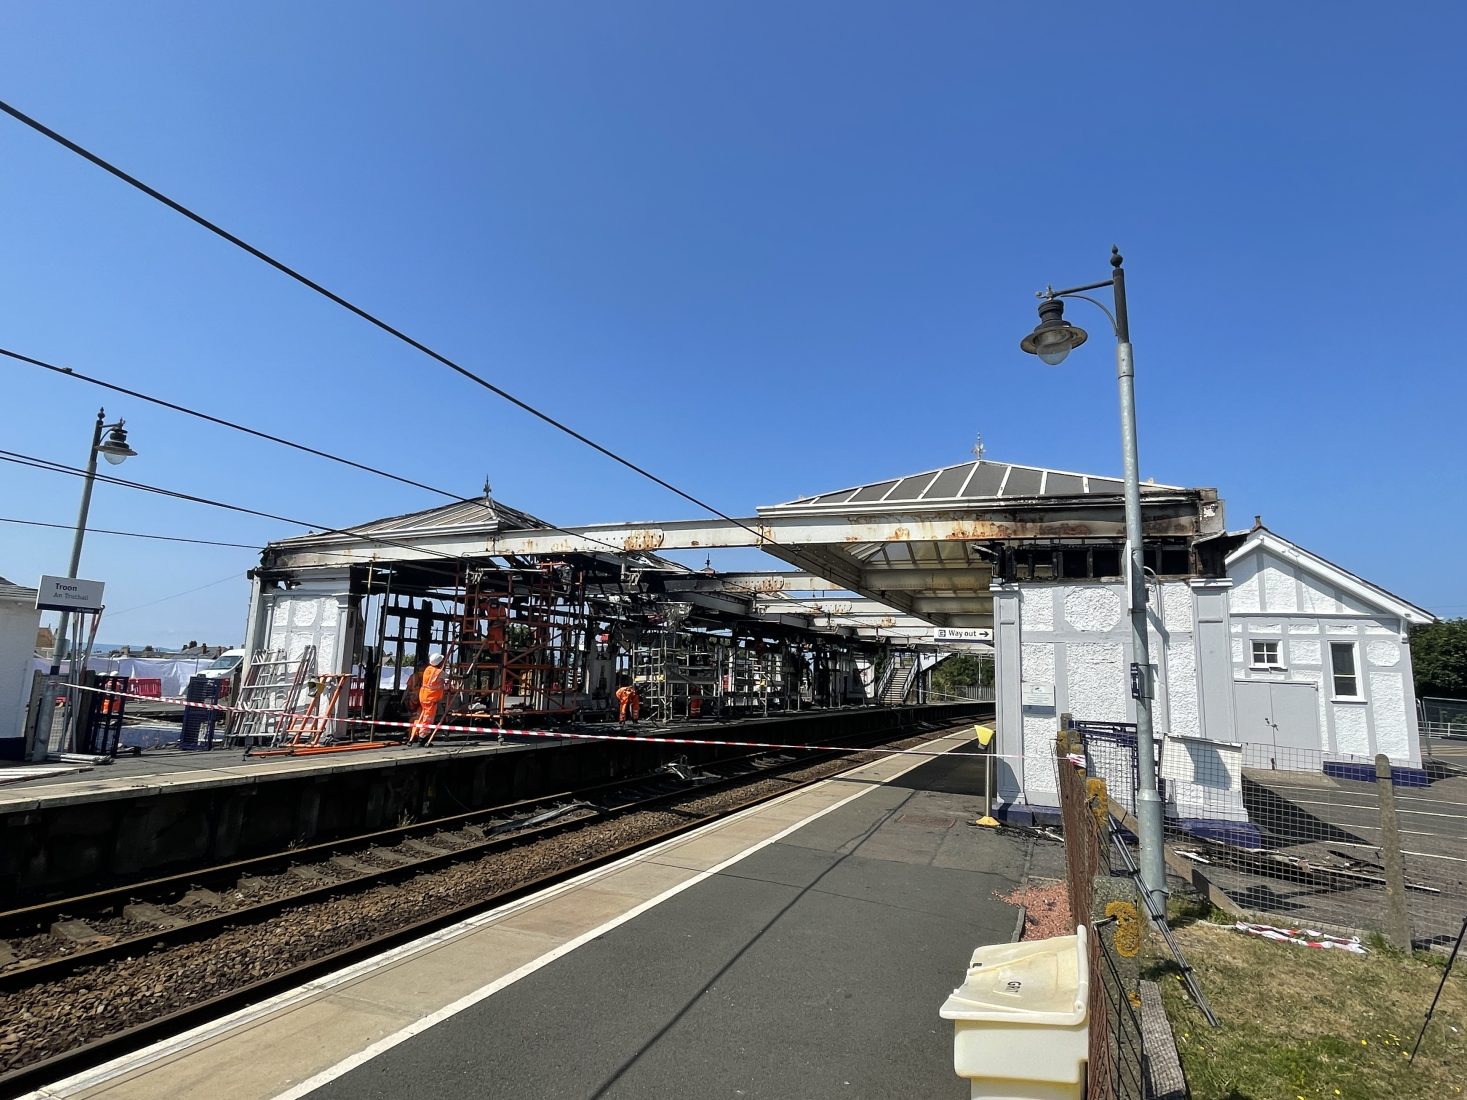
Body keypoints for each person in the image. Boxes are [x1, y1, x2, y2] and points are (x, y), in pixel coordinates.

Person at [409, 653, 446, 743]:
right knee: (428, 718)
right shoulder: (438, 672)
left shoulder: (428, 669)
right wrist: (462, 677)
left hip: (423, 696)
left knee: (423, 715)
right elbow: (449, 677)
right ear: (439, 663)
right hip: (431, 698)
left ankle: (416, 734)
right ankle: (422, 737)